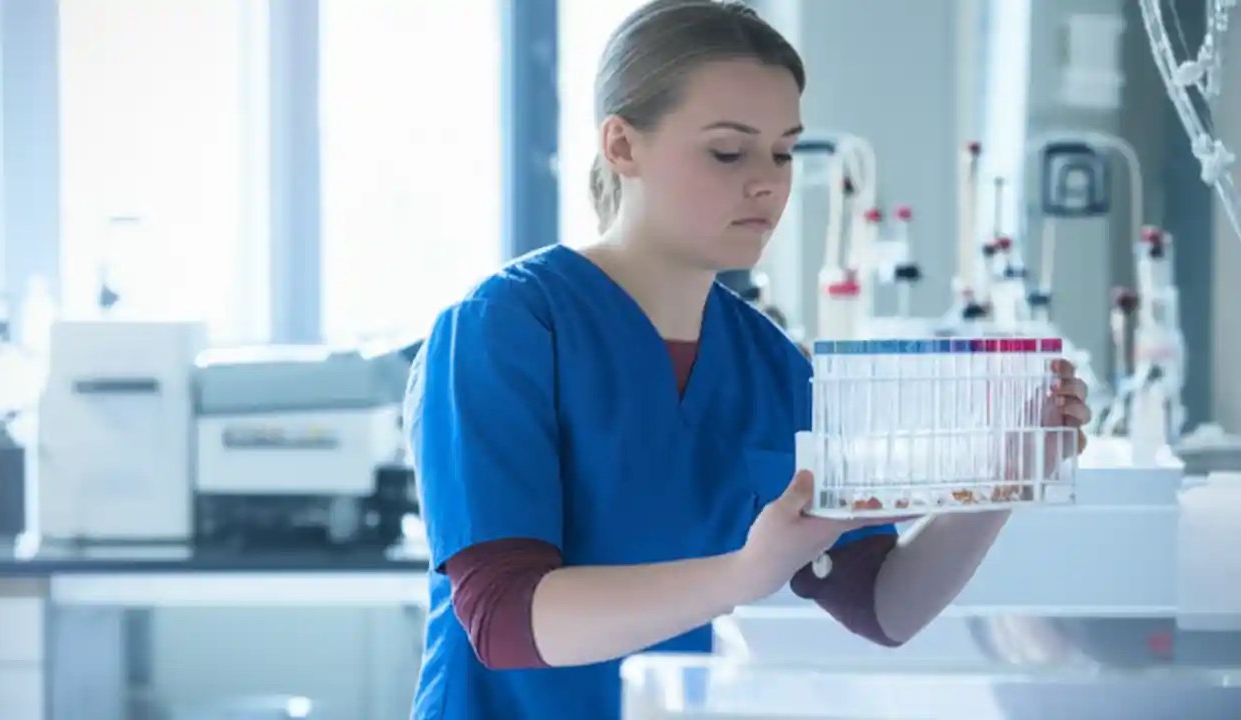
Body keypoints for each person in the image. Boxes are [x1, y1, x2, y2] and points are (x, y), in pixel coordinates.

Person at [403, 2, 1091, 719]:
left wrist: (1004, 478)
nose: (767, 183)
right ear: (623, 145)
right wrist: (746, 572)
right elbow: (505, 622)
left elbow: (883, 605)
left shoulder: (767, 365)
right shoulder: (502, 329)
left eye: (784, 153)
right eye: (728, 152)